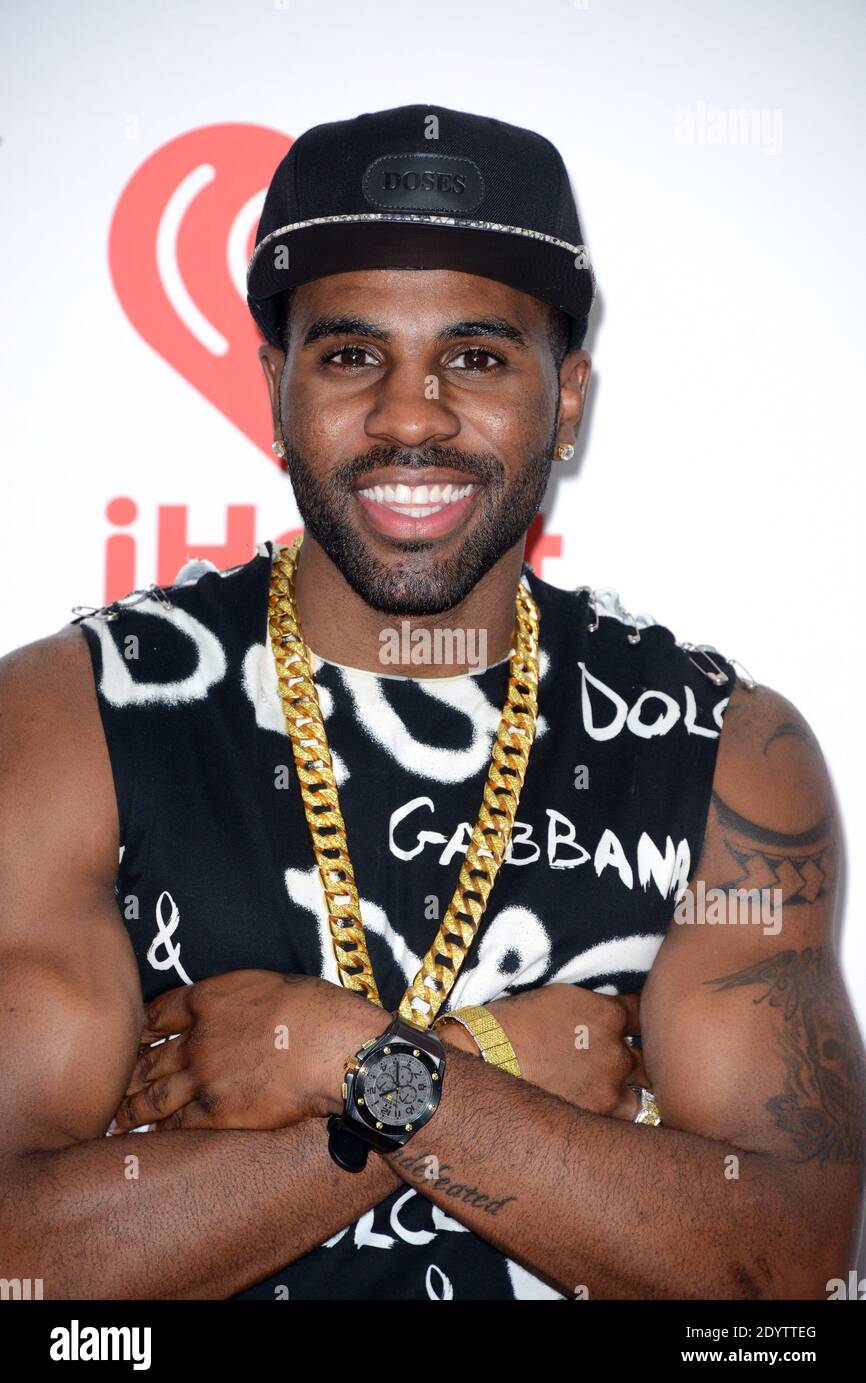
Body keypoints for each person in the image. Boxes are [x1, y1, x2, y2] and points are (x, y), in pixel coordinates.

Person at [0, 104, 862, 1301]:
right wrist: (499, 1068)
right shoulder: (69, 719)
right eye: (352, 354)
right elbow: (21, 1260)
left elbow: (785, 1266)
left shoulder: (722, 750)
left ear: (566, 401)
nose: (412, 416)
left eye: (477, 356)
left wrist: (349, 1056)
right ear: (273, 389)